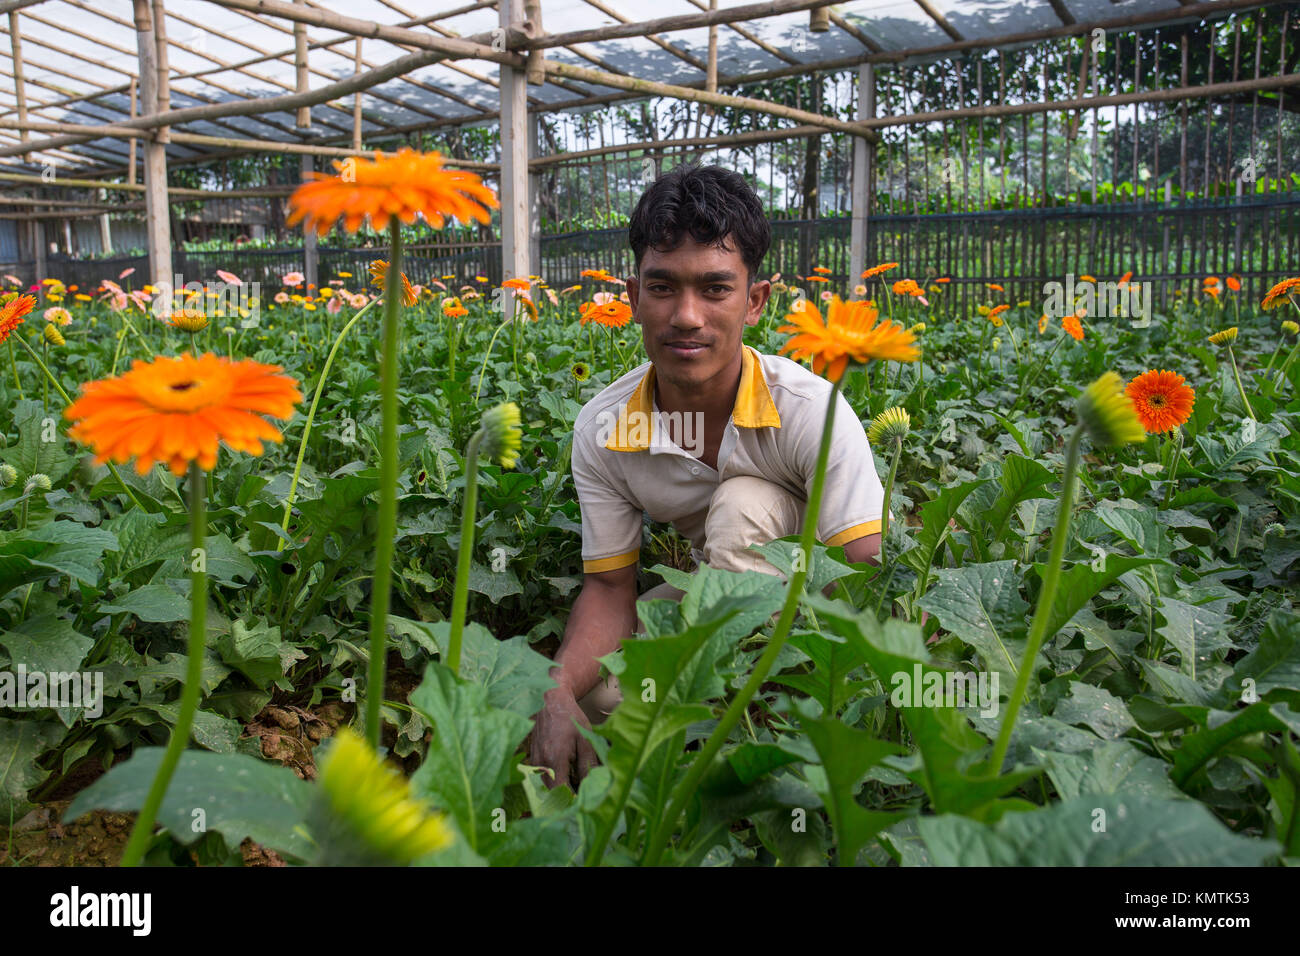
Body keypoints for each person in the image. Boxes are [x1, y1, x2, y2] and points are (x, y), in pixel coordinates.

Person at [528, 162, 885, 791]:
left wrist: (791, 686)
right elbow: (611, 590)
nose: (686, 316)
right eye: (662, 287)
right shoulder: (605, 429)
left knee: (744, 506)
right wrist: (554, 689)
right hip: (716, 581)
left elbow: (857, 581)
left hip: (811, 604)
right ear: (633, 297)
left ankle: (732, 721)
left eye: (715, 289)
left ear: (754, 301)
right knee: (597, 706)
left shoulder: (811, 412)